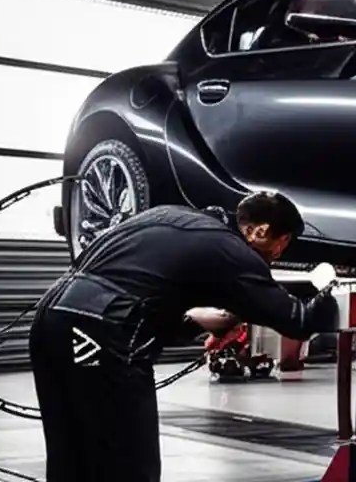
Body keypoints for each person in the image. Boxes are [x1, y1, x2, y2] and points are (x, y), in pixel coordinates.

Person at [28, 191, 339, 482]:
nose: (279, 253)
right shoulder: (232, 251)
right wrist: (330, 285)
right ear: (259, 231)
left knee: (70, 460)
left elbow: (139, 291)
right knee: (129, 465)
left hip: (51, 317)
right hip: (101, 330)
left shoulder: (171, 217)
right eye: (282, 242)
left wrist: (196, 321)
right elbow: (299, 320)